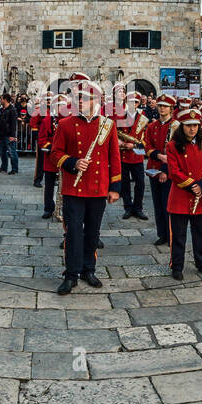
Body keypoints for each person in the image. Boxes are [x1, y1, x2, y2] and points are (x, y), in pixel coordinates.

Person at [57, 106, 119, 294]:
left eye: (89, 98)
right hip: (74, 189)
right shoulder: (65, 124)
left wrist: (115, 188)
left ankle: (88, 270)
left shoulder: (108, 125)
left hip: (97, 188)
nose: (84, 102)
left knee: (93, 233)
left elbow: (114, 157)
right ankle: (71, 274)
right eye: (81, 98)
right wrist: (73, 162)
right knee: (73, 232)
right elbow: (55, 153)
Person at [161, 113, 202, 280]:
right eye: (188, 125)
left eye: (195, 125)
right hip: (181, 195)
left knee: (201, 234)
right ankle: (177, 266)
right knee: (178, 236)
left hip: (201, 197)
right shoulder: (172, 145)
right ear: (182, 126)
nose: (192, 129)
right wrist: (194, 185)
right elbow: (174, 171)